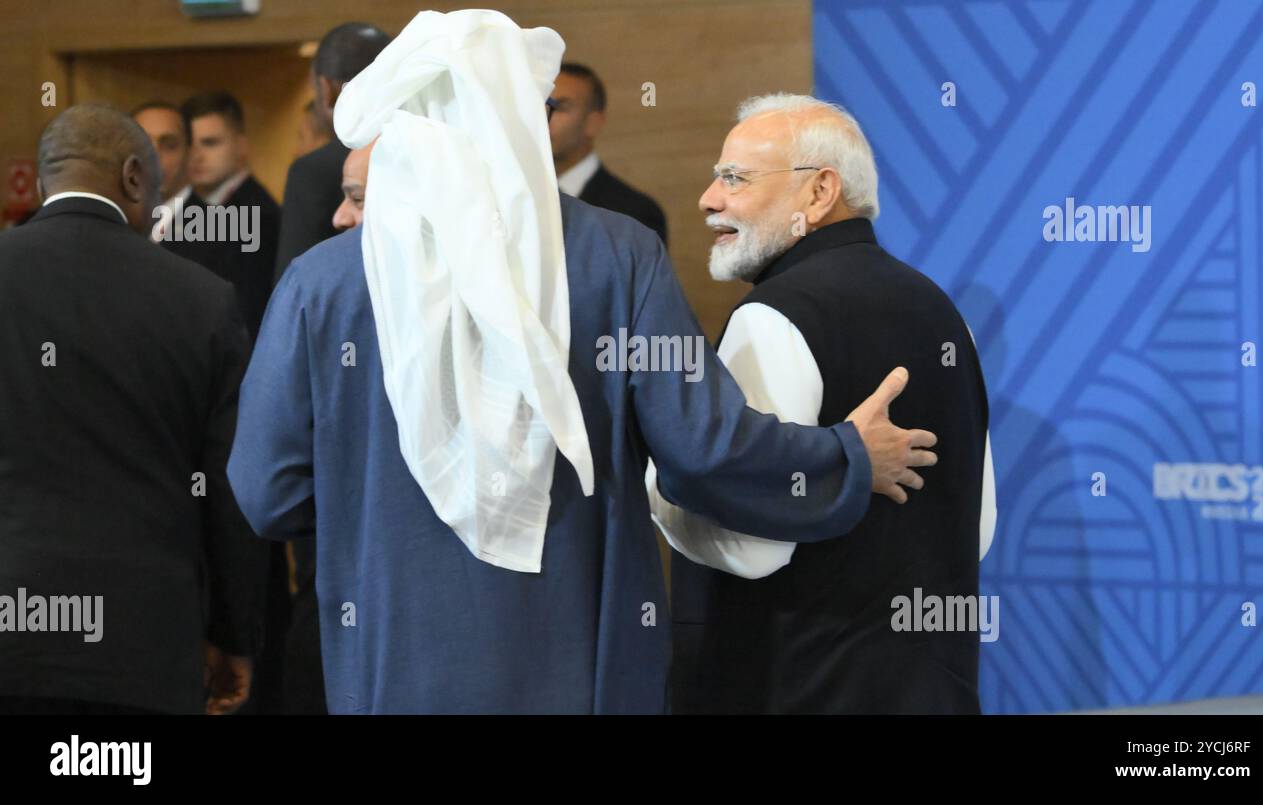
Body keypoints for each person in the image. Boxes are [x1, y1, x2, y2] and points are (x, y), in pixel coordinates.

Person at [226, 10, 936, 714]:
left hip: (393, 663)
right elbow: (703, 448)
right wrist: (845, 456)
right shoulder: (619, 255)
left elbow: (267, 490)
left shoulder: (320, 284)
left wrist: (380, 503)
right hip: (578, 664)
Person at [650, 93, 993, 714]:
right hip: (936, 689)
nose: (709, 199)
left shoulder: (770, 318)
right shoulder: (945, 312)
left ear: (819, 192)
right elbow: (978, 525)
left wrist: (656, 480)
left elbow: (753, 551)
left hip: (794, 685)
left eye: (734, 178)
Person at [0, 104, 265, 715]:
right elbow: (229, 489)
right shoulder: (202, 301)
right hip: (143, 640)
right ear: (133, 178)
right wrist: (232, 635)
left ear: (46, 185)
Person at [273, 21, 390, 284]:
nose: (342, 216)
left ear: (325, 89)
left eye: (356, 199)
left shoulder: (311, 172)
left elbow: (293, 283)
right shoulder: (424, 154)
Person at [165, 90, 281, 341]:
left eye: (210, 143)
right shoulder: (186, 209)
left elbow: (251, 314)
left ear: (241, 146)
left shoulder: (261, 217)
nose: (196, 155)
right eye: (189, 143)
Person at [549, 62, 667, 244]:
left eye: (560, 107)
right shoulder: (515, 197)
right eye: (539, 104)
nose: (544, 116)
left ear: (593, 122)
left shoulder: (634, 212)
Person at [131, 100, 191, 241]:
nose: (154, 157)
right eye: (142, 144)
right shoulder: (107, 223)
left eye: (169, 145)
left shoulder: (222, 232)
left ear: (189, 153)